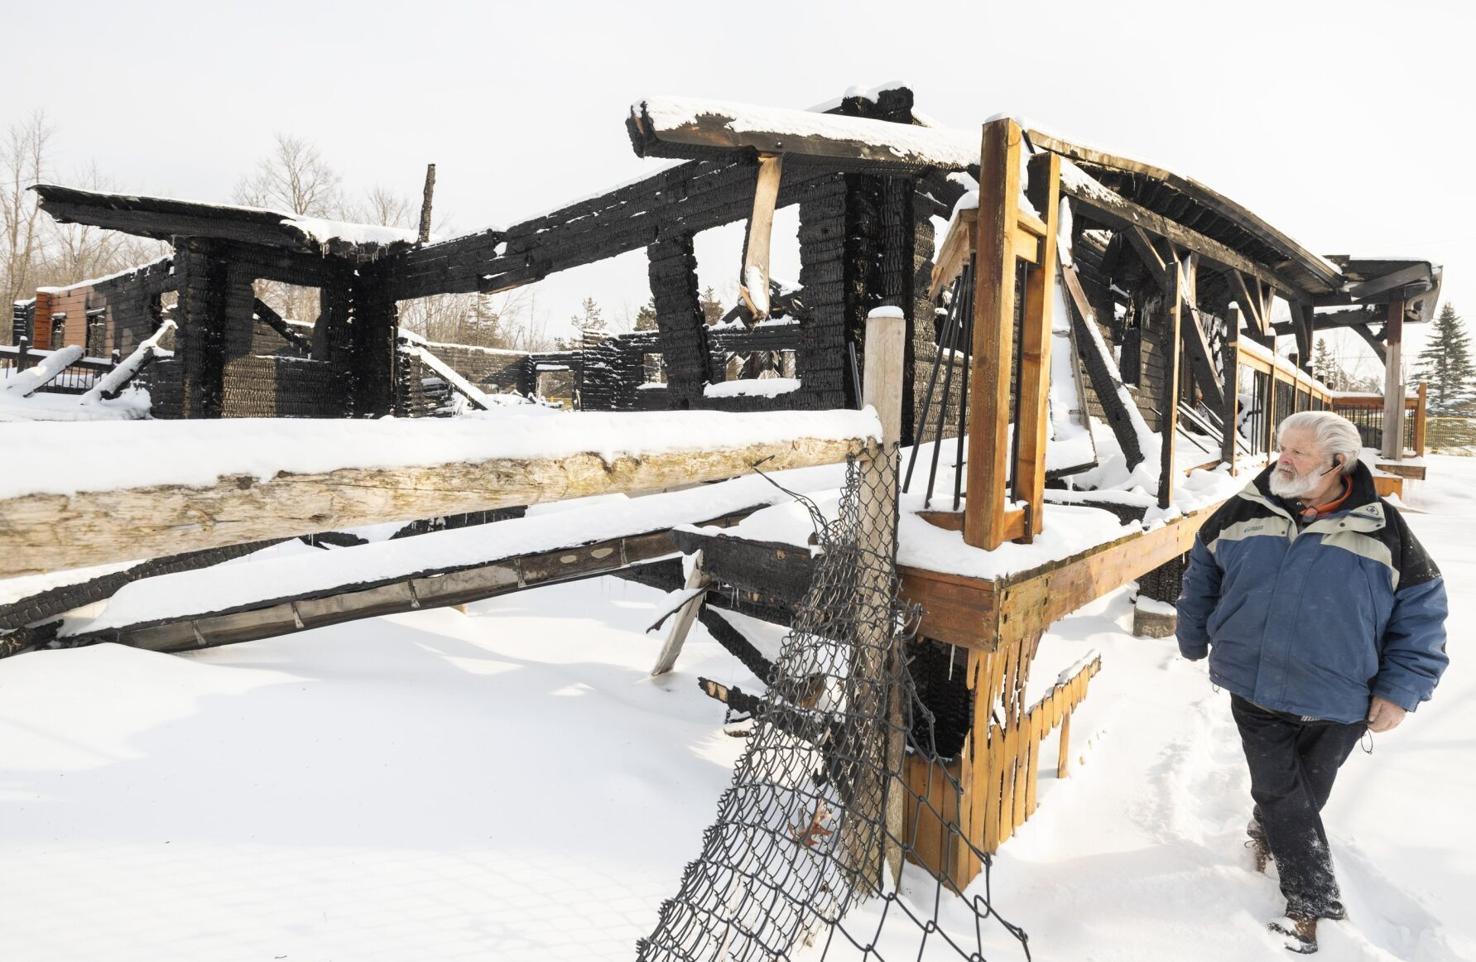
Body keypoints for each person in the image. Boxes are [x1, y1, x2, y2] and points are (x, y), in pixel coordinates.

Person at [1176, 410, 1448, 954]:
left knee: (1305, 795)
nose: (1284, 459)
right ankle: (1312, 903)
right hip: (1254, 684)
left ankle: (1267, 829)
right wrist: (1193, 630)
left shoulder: (1384, 529)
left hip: (1339, 696)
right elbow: (1202, 570)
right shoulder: (1245, 508)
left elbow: (1422, 613)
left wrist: (1400, 690)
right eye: (1283, 447)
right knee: (1280, 791)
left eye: (1299, 453)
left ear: (1337, 463)